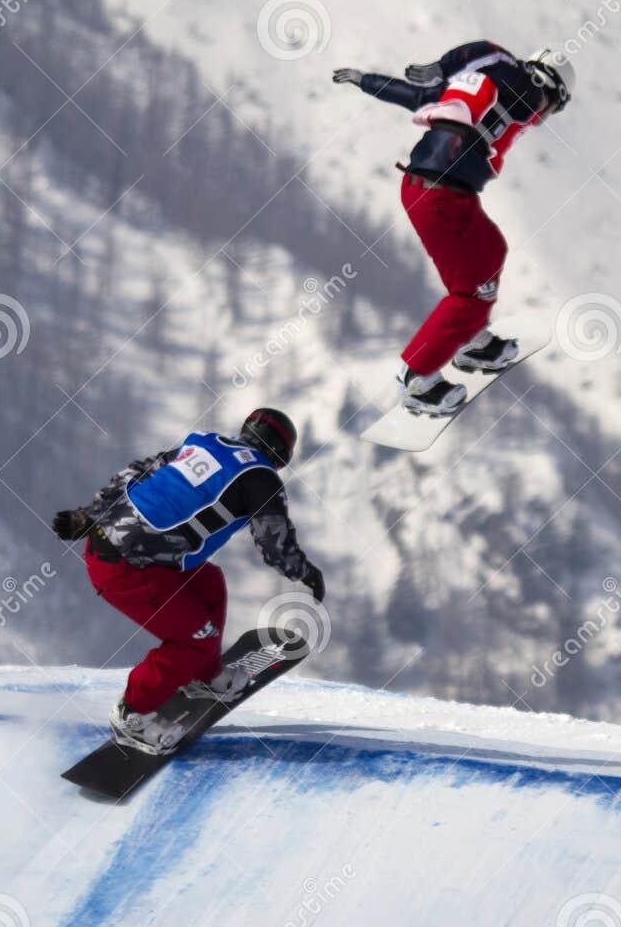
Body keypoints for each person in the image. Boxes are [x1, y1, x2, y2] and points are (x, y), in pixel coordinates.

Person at [52, 408, 324, 753]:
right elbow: (273, 542)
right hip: (127, 568)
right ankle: (133, 715)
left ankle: (204, 674)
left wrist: (90, 514)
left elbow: (138, 471)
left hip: (120, 549)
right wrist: (306, 572)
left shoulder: (206, 442)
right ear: (281, 455)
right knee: (195, 639)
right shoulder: (262, 479)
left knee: (208, 584)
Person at [332, 42, 574, 416]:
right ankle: (418, 380)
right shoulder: (525, 89)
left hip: (426, 188)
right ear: (549, 87)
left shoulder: (484, 91)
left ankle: (472, 340)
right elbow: (488, 50)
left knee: (491, 249)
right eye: (557, 106)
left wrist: (367, 81)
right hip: (441, 197)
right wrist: (443, 65)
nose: (548, 115)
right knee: (470, 295)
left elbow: (415, 97)